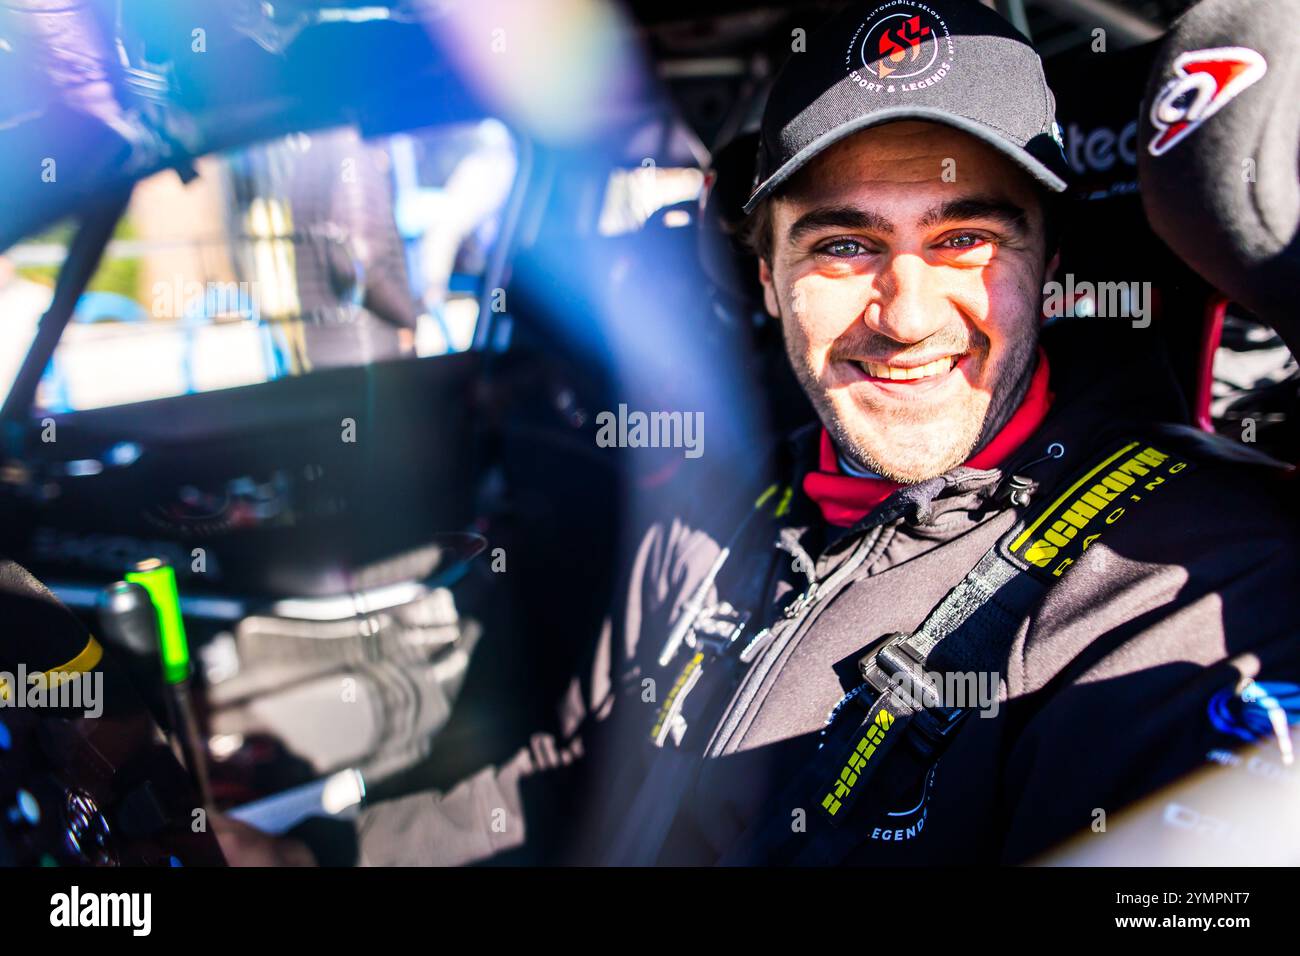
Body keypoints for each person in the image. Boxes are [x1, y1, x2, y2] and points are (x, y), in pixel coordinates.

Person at [221, 0, 1300, 866]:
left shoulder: (1183, 582)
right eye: (842, 245)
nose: (908, 313)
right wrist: (309, 856)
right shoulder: (722, 510)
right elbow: (572, 770)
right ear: (767, 278)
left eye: (967, 235)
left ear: (1047, 265)